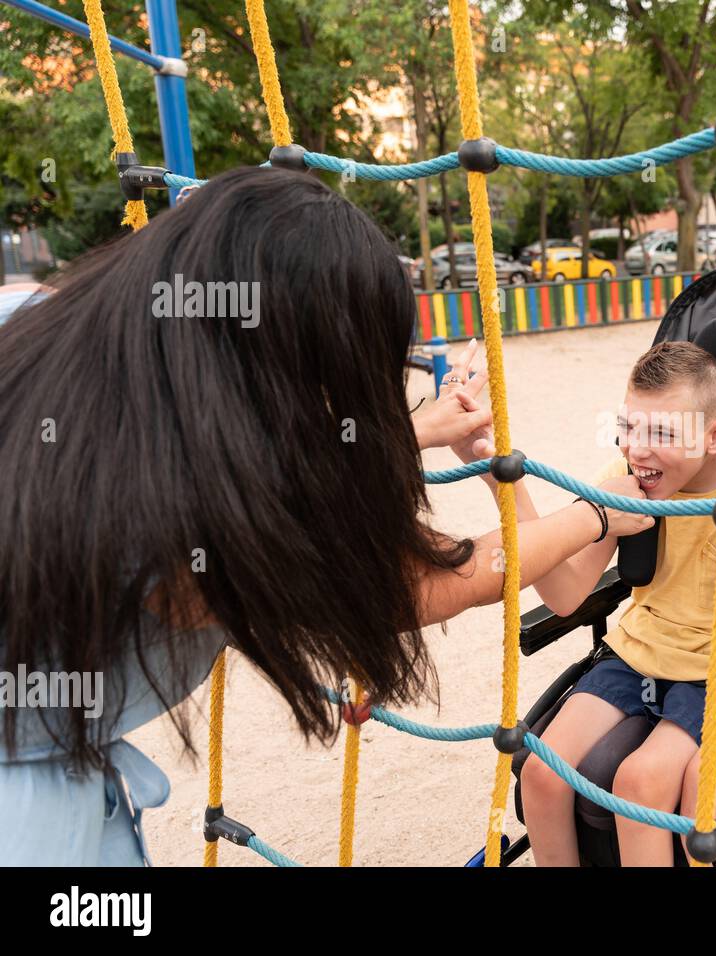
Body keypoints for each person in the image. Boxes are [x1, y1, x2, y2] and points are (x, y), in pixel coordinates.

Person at [0, 166, 652, 865]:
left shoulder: (33, 322)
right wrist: (598, 515)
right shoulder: (195, 517)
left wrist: (410, 432)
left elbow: (272, 440)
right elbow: (430, 580)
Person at [492, 340, 716, 865]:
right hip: (635, 655)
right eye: (630, 427)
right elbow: (565, 595)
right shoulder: (625, 486)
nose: (638, 450)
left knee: (639, 783)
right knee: (539, 769)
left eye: (663, 433)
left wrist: (708, 769)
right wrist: (504, 485)